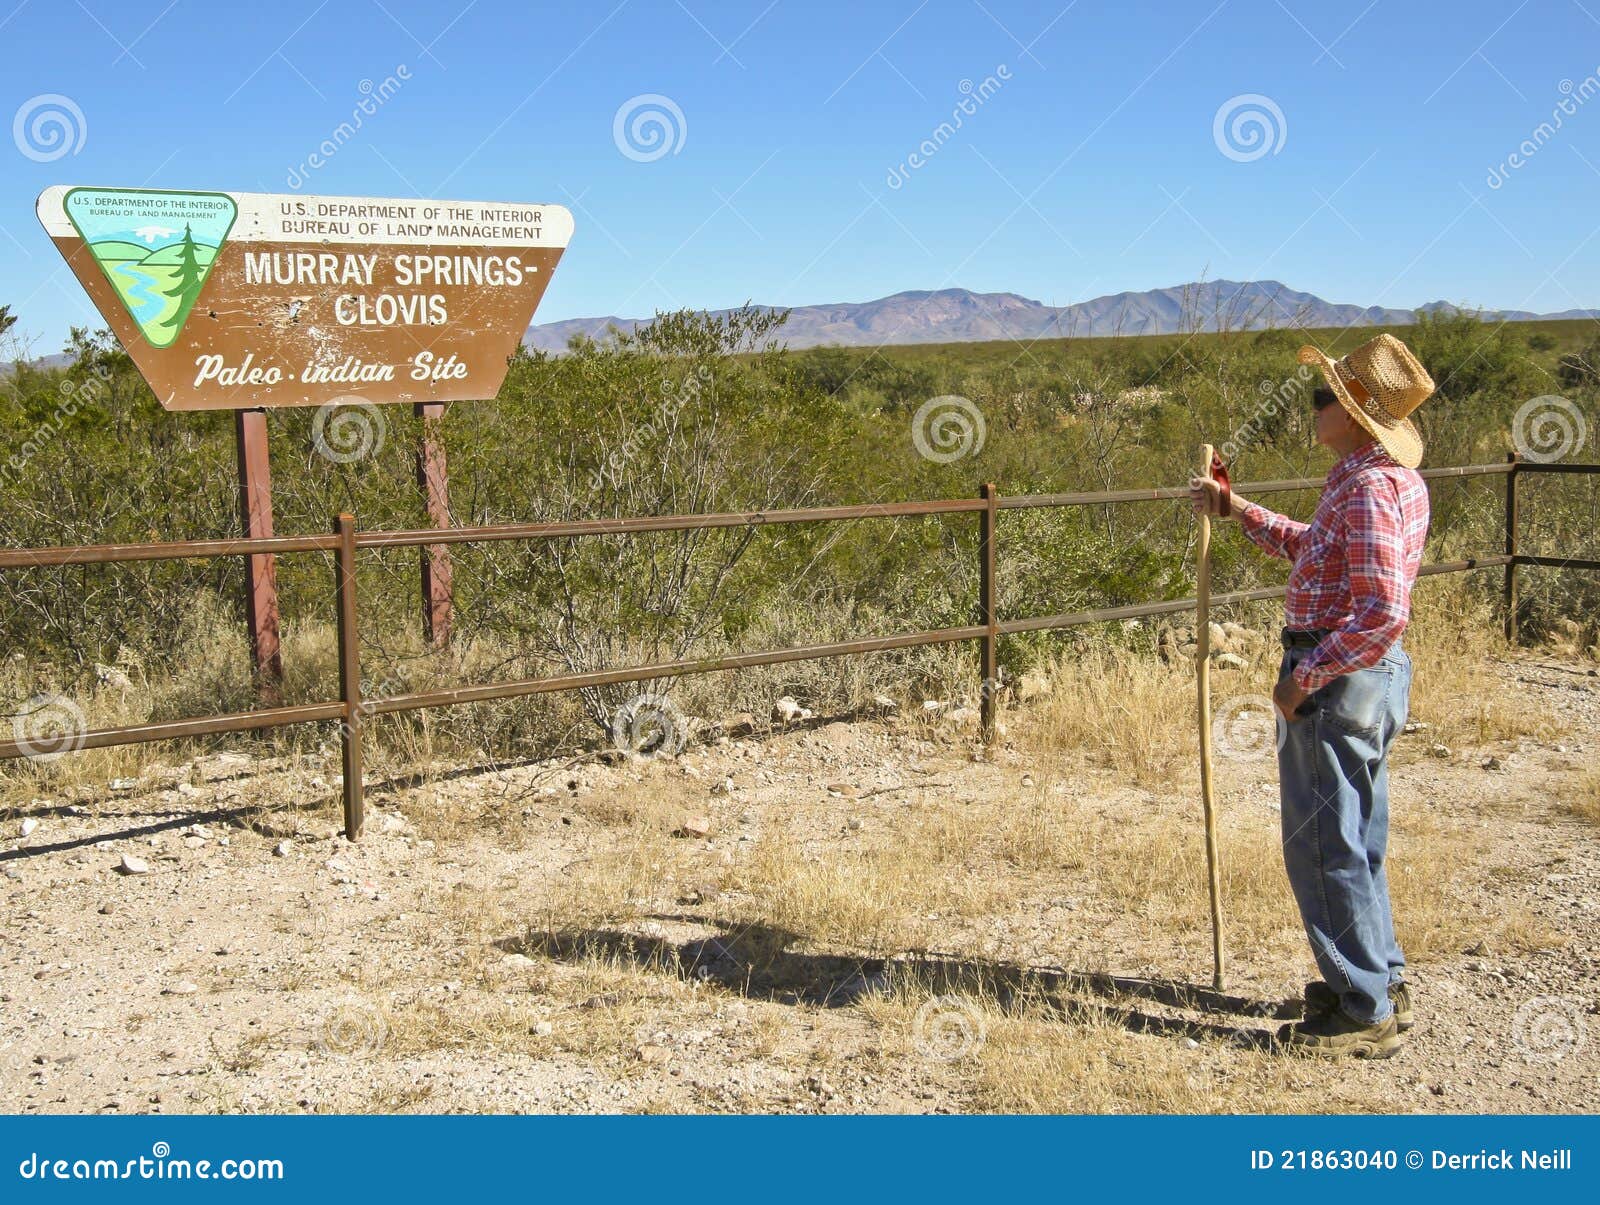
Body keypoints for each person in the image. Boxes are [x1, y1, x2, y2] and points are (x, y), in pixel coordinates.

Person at [1190, 333, 1436, 1058]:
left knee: (1324, 842)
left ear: (1357, 413)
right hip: (1367, 677)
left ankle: (1360, 1008)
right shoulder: (1376, 479)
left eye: (1324, 395)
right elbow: (1317, 550)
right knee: (1357, 838)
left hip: (1340, 680)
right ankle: (1375, 980)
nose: (1314, 405)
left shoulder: (1364, 486)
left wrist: (1307, 675)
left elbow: (1384, 607)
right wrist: (1237, 509)